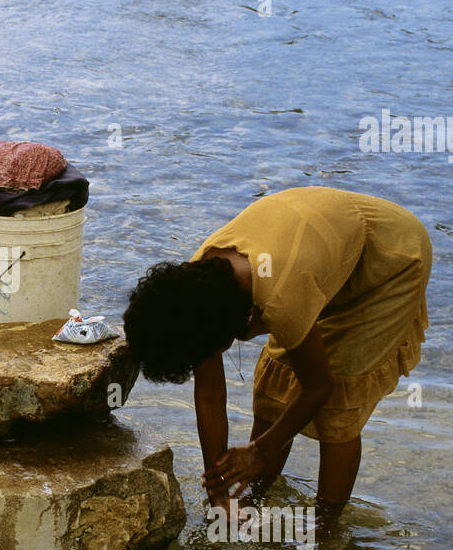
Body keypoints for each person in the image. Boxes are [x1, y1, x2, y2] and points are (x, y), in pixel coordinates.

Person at [123, 186, 432, 524]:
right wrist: (219, 492)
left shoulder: (281, 295)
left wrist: (262, 450)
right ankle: (250, 500)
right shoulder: (193, 292)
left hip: (390, 254)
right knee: (275, 383)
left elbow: (319, 386)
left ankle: (325, 529)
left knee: (339, 405)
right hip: (321, 247)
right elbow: (210, 395)